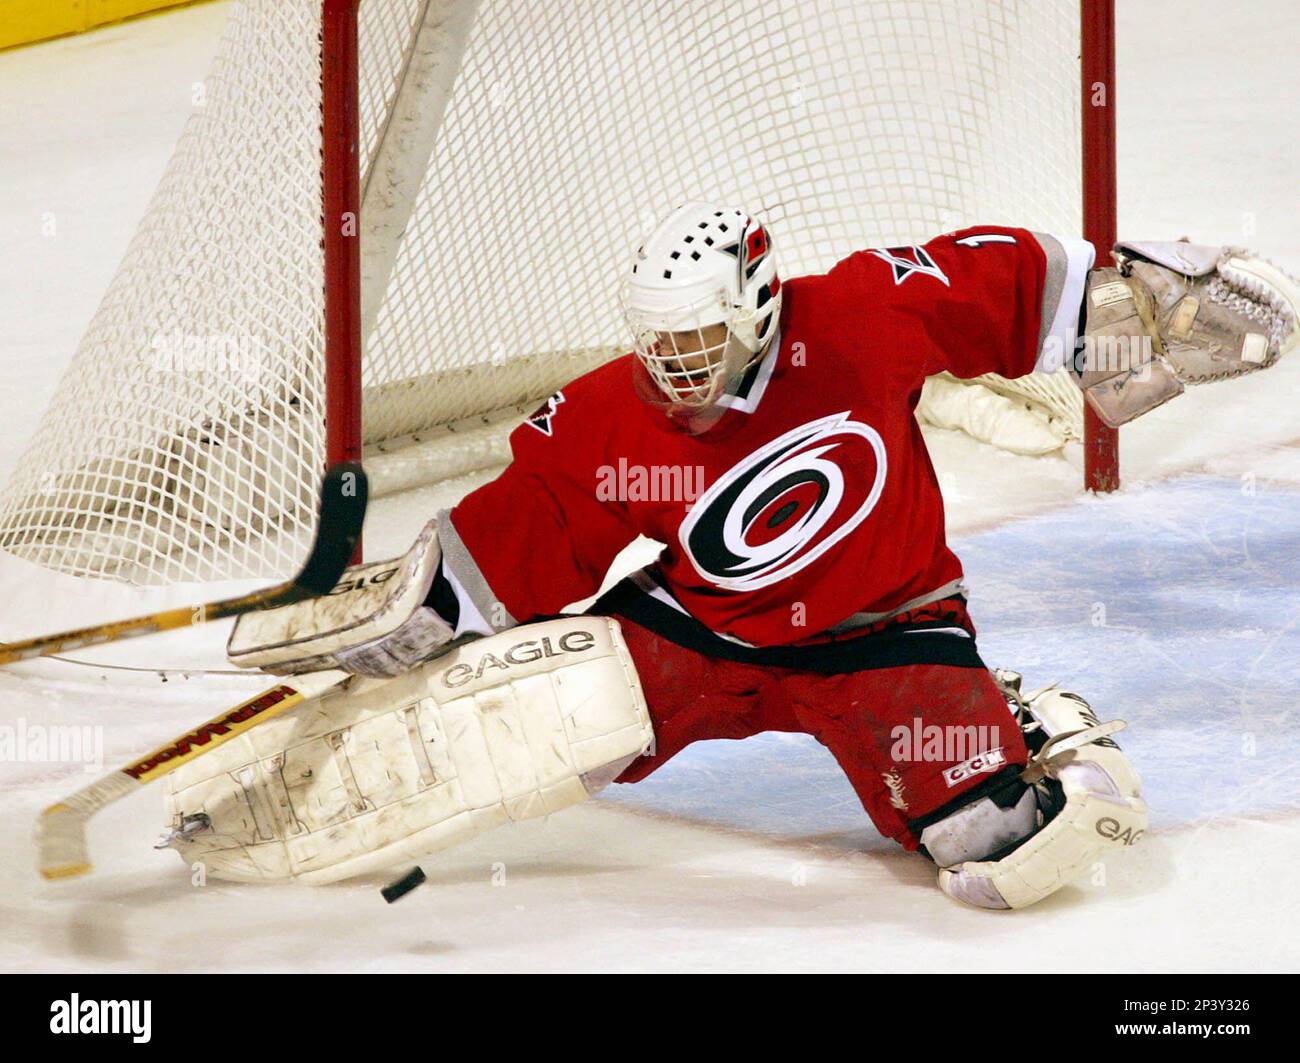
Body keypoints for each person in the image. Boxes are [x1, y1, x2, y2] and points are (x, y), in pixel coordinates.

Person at [207, 203, 1297, 907]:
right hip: (696, 633)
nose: (674, 371)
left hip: (887, 631)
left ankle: (1026, 721)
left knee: (993, 845)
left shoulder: (862, 318)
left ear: (759, 309)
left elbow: (1014, 291)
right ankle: (247, 799)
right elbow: (531, 524)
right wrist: (425, 609)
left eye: (696, 344)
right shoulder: (608, 414)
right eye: (658, 347)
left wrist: (1147, 306)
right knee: (520, 739)